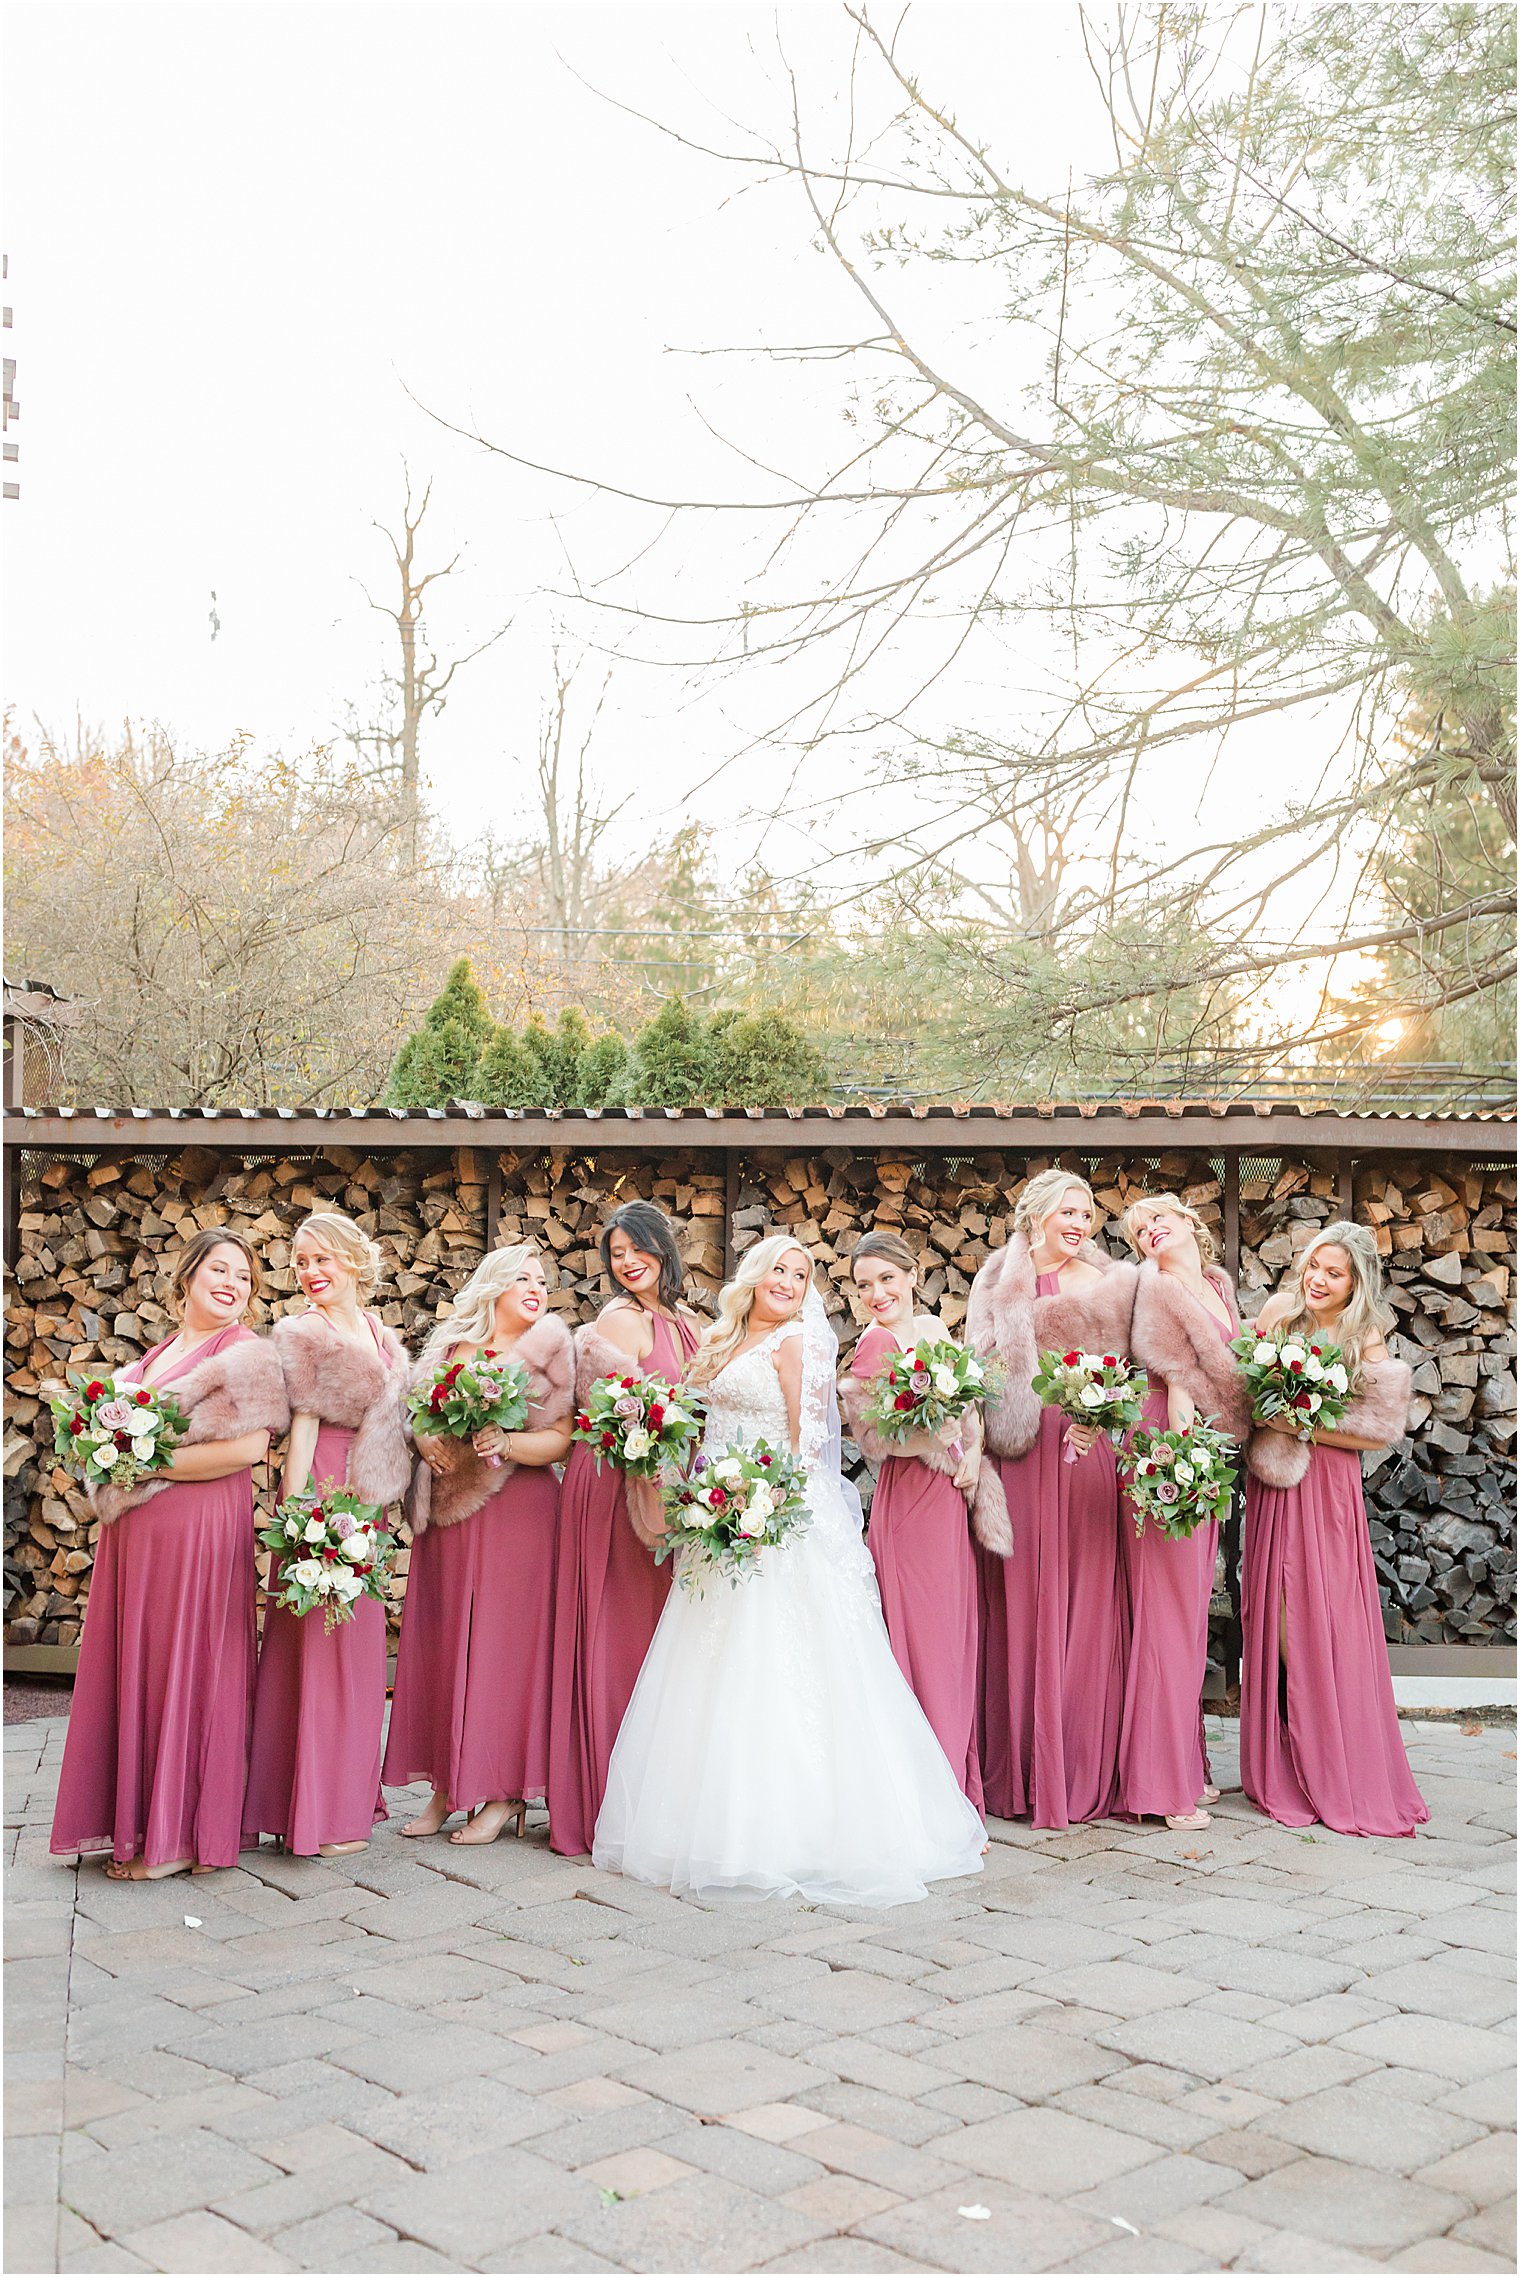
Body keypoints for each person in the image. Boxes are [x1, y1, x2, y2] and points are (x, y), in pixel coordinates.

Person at [593, 1234, 987, 1905]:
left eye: (801, 1275)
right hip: (717, 1520)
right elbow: (696, 1424)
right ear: (753, 1274)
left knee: (782, 1663)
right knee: (709, 1668)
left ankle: (796, 1832)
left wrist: (761, 1502)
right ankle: (712, 1825)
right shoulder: (716, 1343)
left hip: (772, 1520)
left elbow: (808, 1450)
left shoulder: (796, 1345)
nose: (788, 1281)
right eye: (779, 1268)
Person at [50, 1230, 288, 1880]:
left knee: (192, 1666)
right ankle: (138, 1820)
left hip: (200, 1533)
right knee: (146, 1666)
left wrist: (144, 1459)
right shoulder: (156, 1355)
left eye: (244, 1276)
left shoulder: (244, 1352)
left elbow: (246, 1451)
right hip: (138, 1538)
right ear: (188, 1273)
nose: (233, 1283)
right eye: (220, 1267)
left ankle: (182, 1837)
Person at [1240, 1222, 1427, 1837]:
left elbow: (1378, 1430)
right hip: (1274, 1486)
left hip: (1328, 1490)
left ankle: (1336, 1761)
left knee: (1324, 1619)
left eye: (1334, 1273)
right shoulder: (1277, 1313)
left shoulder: (1363, 1334)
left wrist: (1302, 1425)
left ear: (1356, 1283)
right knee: (1278, 1619)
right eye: (1314, 1266)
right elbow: (1243, 1390)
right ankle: (1288, 1759)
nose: (1318, 1280)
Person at [383, 1245, 573, 1845]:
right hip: (447, 1513)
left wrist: (509, 1442)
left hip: (519, 1512)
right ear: (492, 1285)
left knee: (503, 1648)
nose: (535, 1287)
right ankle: (444, 1786)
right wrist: (420, 1439)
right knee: (445, 1643)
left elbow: (563, 1440)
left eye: (542, 1280)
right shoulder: (448, 1350)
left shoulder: (551, 1355)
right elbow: (409, 1416)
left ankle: (501, 1792)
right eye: (522, 1277)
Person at [967, 1169, 1137, 1828]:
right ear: (1037, 1212)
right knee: (1020, 1598)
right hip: (1019, 1450)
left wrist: (1105, 1413)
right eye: (1068, 1211)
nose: (1079, 1223)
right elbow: (975, 1362)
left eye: (1087, 1214)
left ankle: (1080, 1767)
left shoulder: (1105, 1282)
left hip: (1084, 1451)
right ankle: (1018, 1769)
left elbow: (1125, 1369)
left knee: (1084, 1598)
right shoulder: (995, 1278)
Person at [244, 1213, 410, 1859]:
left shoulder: (377, 1330)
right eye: (301, 1262)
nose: (311, 1272)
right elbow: (305, 1425)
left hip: (369, 1499)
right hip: (325, 1493)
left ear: (352, 1260)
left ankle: (344, 1795)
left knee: (358, 1654)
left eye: (322, 1259)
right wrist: (300, 1512)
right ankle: (312, 1810)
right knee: (317, 1649)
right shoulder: (302, 1331)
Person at [548, 1201, 702, 1858]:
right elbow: (618, 1413)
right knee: (618, 1634)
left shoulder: (685, 1321)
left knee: (655, 1640)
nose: (628, 1261)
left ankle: (651, 1796)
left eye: (637, 1247)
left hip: (660, 1486)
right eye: (616, 1254)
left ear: (663, 1248)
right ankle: (604, 1798)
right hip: (617, 1484)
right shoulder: (621, 1319)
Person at [840, 1230, 1010, 1806]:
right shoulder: (874, 1344)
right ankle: (931, 1799)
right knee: (927, 1642)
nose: (876, 1293)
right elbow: (875, 1441)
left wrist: (974, 1449)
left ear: (913, 1274)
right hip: (911, 1500)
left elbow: (970, 1403)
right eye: (864, 1286)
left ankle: (959, 1790)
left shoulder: (936, 1329)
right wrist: (927, 1439)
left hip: (949, 1498)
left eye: (886, 1279)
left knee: (956, 1637)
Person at [1120, 1194, 1250, 1831]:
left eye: (1157, 1216)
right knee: (1166, 1615)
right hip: (1171, 1444)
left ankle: (1186, 1766)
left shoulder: (1217, 1285)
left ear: (1186, 1218)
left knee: (1189, 1615)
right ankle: (1160, 1787)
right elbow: (1174, 1383)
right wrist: (1181, 1464)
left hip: (1206, 1444)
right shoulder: (1159, 1287)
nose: (1149, 1229)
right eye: (1138, 1228)